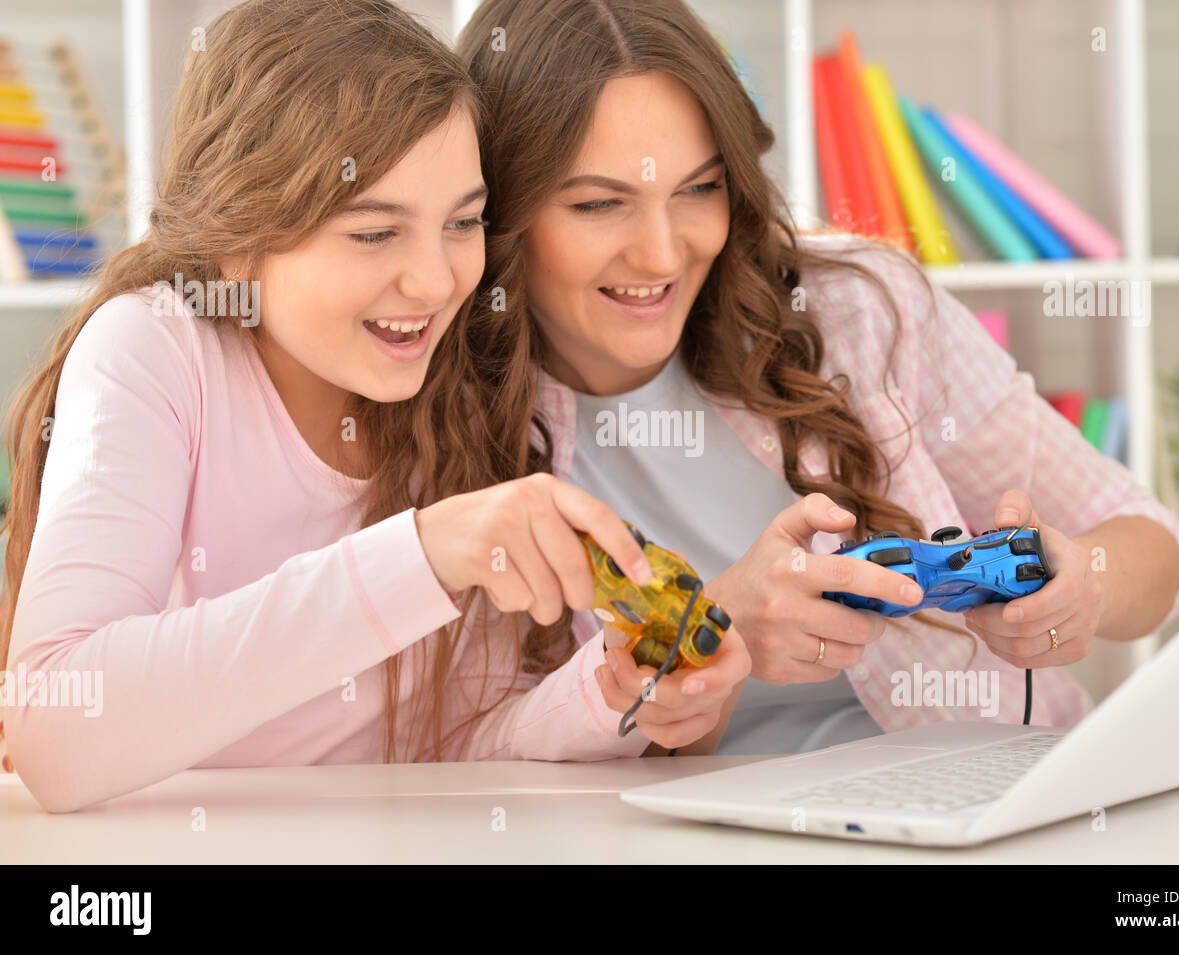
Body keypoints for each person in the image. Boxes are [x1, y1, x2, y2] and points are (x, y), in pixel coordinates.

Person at [0, 0, 748, 812]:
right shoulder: (157, 351)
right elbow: (54, 730)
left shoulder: (458, 391)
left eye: (462, 222)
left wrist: (609, 696)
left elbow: (450, 746)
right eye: (374, 232)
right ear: (239, 236)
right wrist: (422, 554)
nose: (435, 282)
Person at [457, 0, 1179, 754]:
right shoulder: (447, 415)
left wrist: (1082, 586)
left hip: (975, 785)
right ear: (497, 208)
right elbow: (467, 750)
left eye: (699, 188)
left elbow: (1156, 550)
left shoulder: (858, 308)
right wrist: (714, 627)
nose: (662, 254)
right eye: (599, 203)